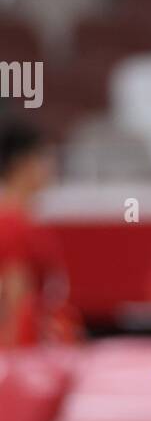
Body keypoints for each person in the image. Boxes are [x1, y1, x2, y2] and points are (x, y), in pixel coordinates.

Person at [0, 117, 78, 347]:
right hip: (24, 347)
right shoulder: (12, 223)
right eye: (45, 157)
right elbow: (14, 299)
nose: (51, 166)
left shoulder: (24, 218)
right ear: (23, 163)